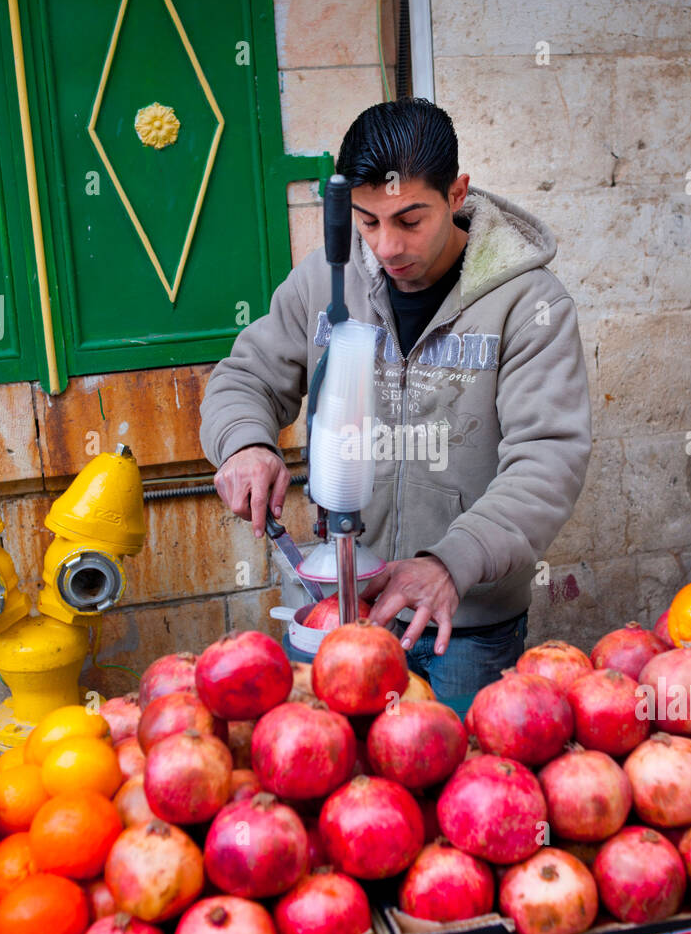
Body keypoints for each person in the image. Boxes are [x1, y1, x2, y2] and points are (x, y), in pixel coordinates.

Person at [199, 98, 591, 711]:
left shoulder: (528, 303)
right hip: (346, 614)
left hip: (463, 624)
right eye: (367, 222)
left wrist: (449, 563)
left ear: (456, 194)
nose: (387, 245)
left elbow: (548, 461)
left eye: (410, 220)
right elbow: (245, 376)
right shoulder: (325, 284)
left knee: (463, 788)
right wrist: (245, 442)